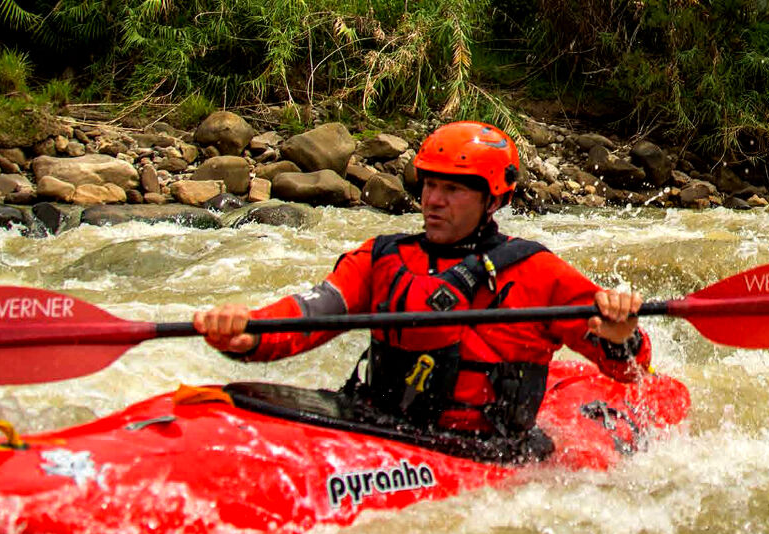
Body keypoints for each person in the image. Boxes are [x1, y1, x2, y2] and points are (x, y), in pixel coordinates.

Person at [193, 121, 650, 462]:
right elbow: (313, 310)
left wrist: (621, 335)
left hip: (479, 449)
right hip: (375, 424)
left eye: (452, 189)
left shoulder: (537, 272)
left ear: (492, 199)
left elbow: (629, 368)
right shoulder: (381, 257)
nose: (432, 200)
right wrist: (249, 331)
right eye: (430, 184)